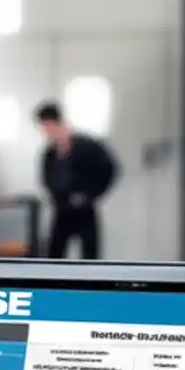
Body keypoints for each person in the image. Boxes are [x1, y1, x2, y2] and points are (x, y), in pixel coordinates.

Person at [35, 102, 118, 259]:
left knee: (89, 256)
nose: (44, 132)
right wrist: (56, 196)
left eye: (46, 127)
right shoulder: (50, 153)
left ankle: (90, 283)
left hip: (84, 209)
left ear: (54, 123)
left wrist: (90, 194)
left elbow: (109, 169)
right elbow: (46, 178)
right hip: (62, 209)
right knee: (54, 254)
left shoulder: (87, 146)